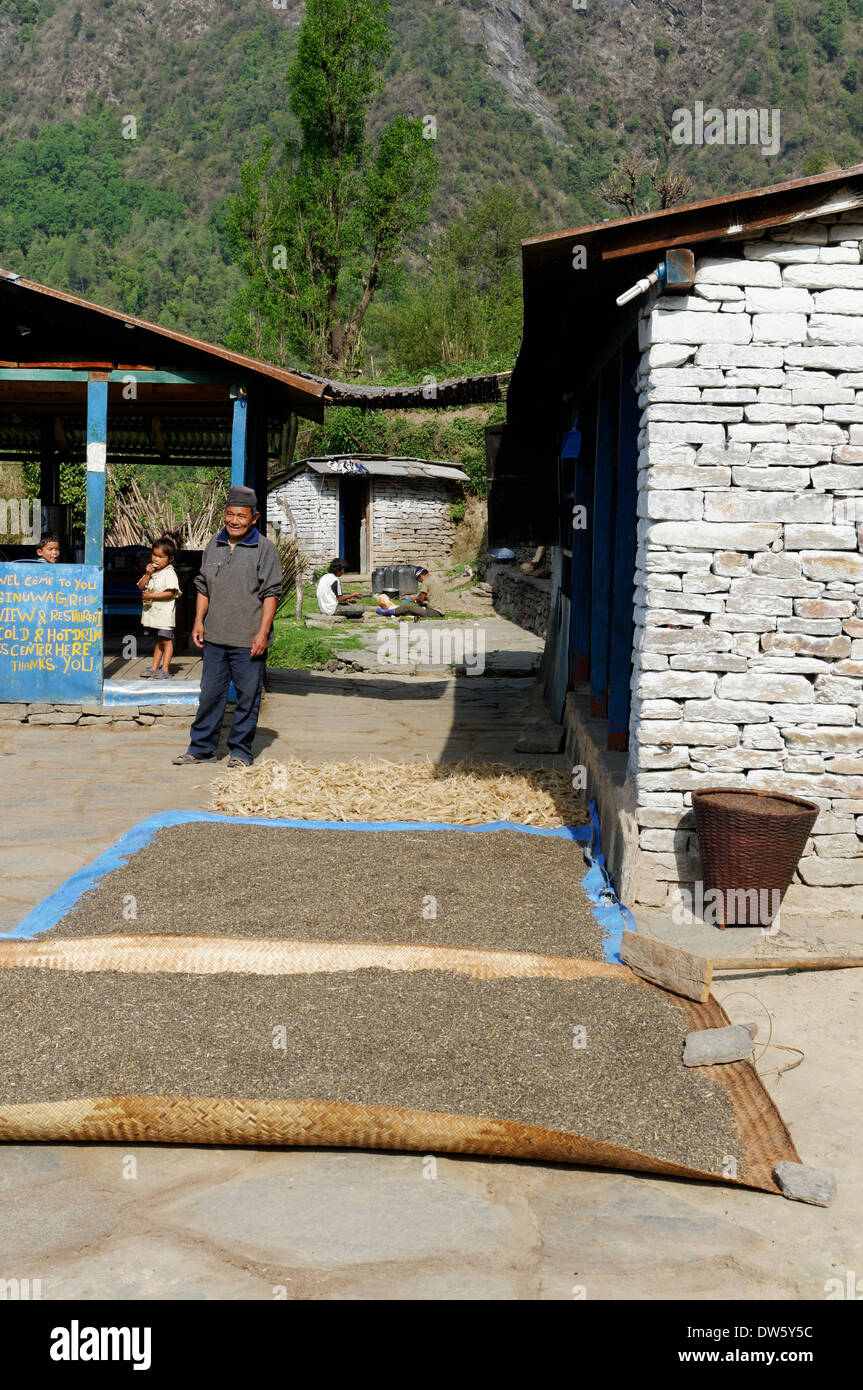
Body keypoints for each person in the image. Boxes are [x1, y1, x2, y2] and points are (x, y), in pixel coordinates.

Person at [173, 486, 282, 769]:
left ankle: (241, 752)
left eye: (241, 516)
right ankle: (201, 748)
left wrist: (262, 633)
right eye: (230, 514)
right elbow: (203, 586)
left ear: (254, 518)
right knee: (210, 693)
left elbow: (271, 593)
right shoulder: (214, 543)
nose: (234, 521)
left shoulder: (265, 549)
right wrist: (199, 621)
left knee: (248, 696)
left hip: (249, 639)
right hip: (215, 635)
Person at [138, 536, 181, 680]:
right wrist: (147, 574)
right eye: (154, 555)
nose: (156, 559)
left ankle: (165, 669)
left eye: (161, 557)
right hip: (154, 616)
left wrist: (152, 596)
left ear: (170, 559)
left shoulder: (169, 573)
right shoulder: (152, 573)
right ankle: (154, 668)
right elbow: (141, 586)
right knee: (158, 640)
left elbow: (171, 592)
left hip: (164, 615)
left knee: (167, 641)